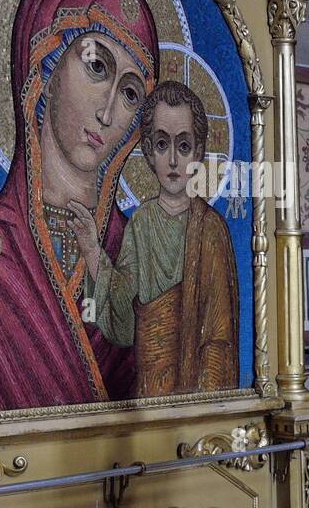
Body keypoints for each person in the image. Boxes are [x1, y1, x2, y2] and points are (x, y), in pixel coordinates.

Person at [0, 0, 160, 413]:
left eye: (130, 93)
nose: (108, 112)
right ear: (43, 67)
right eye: (96, 66)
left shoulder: (141, 251)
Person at [72, 80, 239, 398]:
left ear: (200, 152)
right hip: (149, 391)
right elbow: (121, 324)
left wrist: (205, 408)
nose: (174, 161)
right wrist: (92, 251)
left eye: (184, 146)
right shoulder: (142, 224)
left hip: (197, 396)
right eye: (162, 145)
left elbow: (219, 337)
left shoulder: (211, 231)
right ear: (148, 151)